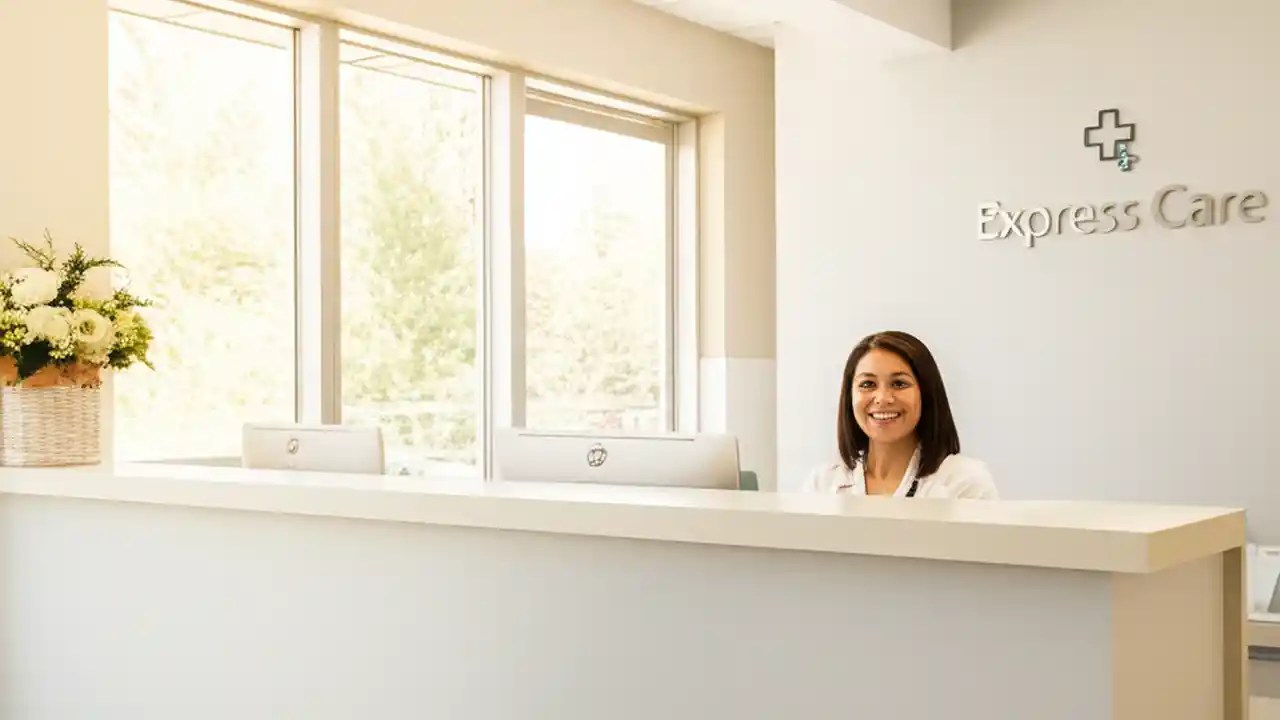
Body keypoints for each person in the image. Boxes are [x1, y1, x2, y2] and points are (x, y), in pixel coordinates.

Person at [802, 330, 998, 499]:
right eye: (868, 384)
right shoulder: (822, 484)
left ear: (926, 393)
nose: (882, 398)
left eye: (899, 384)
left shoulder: (965, 483)